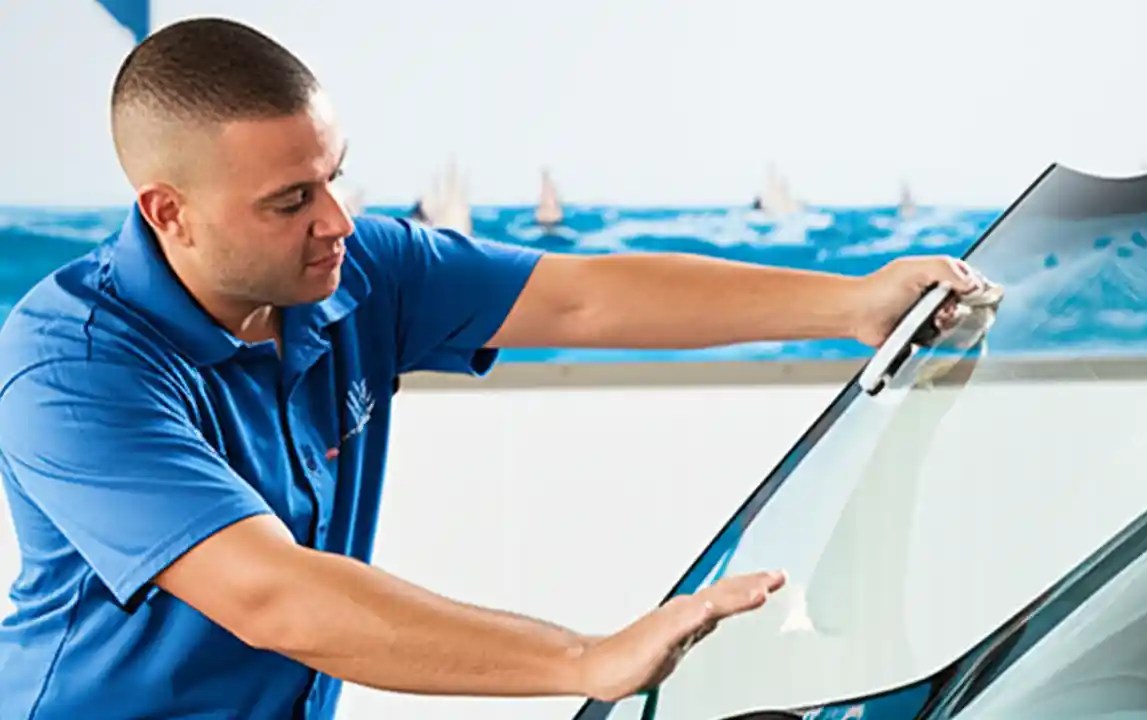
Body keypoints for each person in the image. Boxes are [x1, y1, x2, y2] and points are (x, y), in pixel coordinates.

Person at [0, 17, 987, 720]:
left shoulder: (358, 269)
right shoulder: (70, 371)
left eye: (335, 176)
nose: (336, 220)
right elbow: (275, 597)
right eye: (289, 199)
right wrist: (584, 661)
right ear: (168, 213)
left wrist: (850, 303)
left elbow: (579, 295)